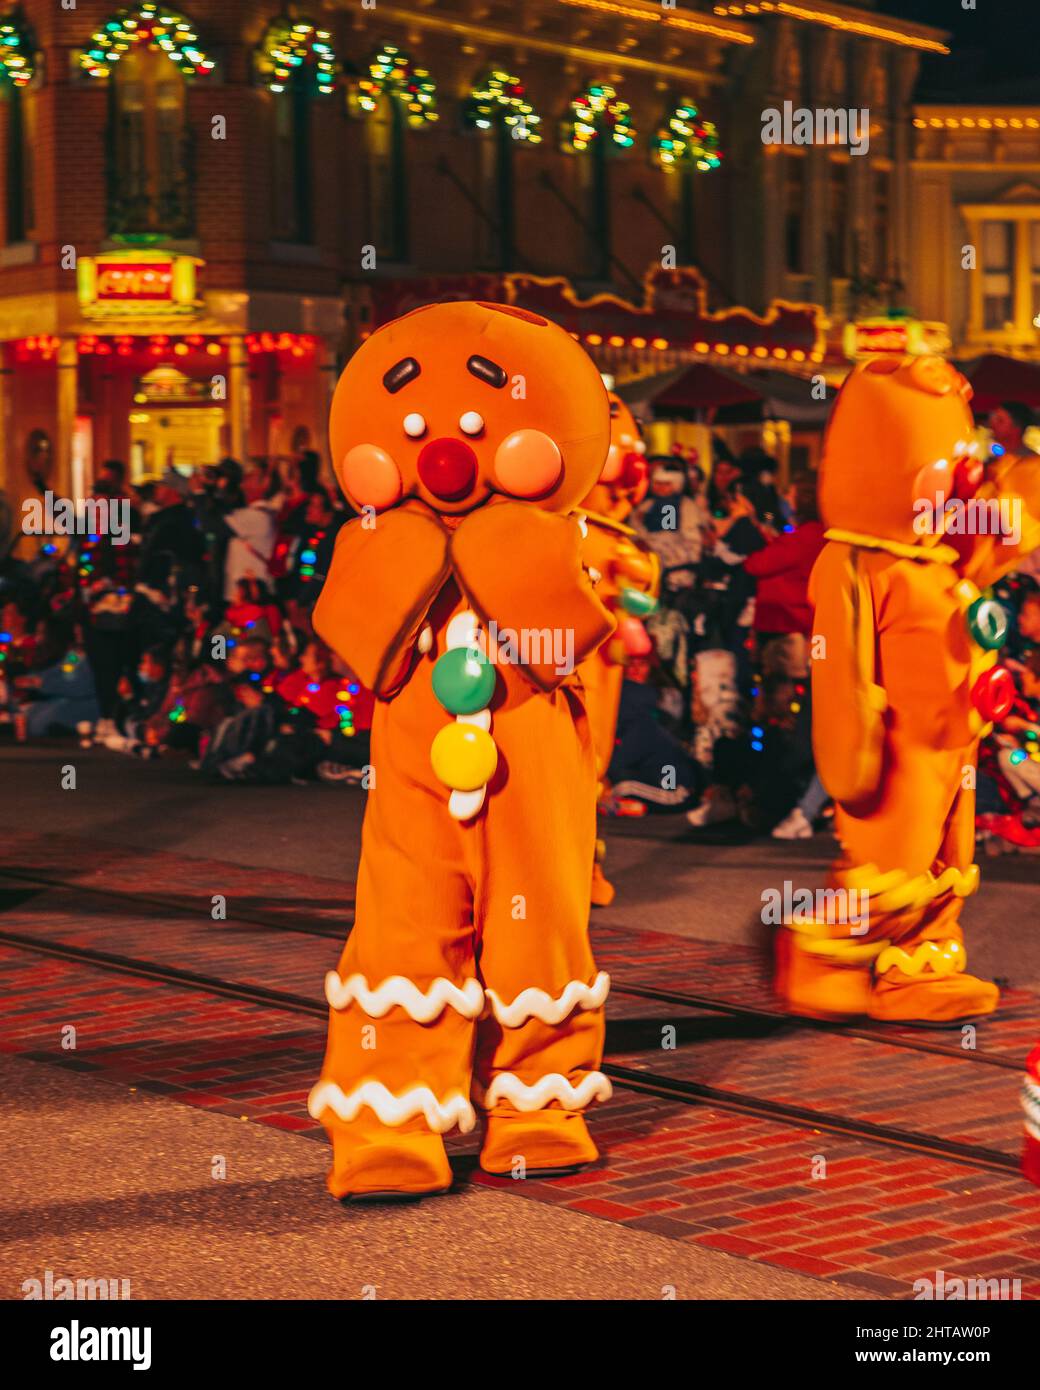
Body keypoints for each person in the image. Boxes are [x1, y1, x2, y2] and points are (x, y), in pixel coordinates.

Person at [307, 301, 616, 1199]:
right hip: (414, 756)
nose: (447, 454)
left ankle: (538, 1101)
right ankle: (388, 1116)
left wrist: (506, 550)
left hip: (530, 748)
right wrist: (405, 553)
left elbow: (563, 648)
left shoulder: (561, 534)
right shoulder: (375, 540)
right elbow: (360, 642)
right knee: (404, 919)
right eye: (421, 432)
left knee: (542, 923)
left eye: (476, 429)